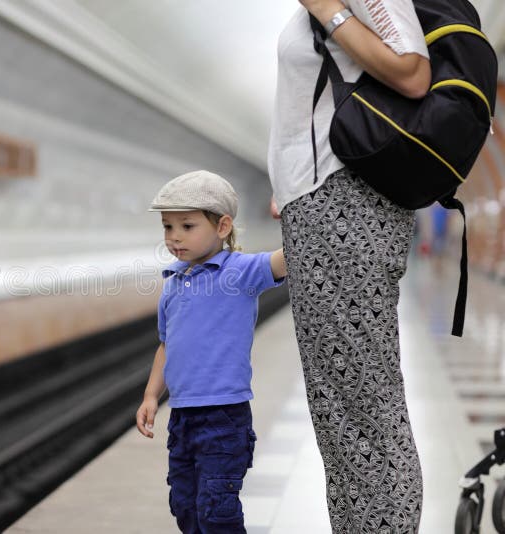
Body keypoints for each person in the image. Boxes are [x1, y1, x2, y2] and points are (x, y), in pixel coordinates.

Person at [268, 1, 431, 532]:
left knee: (363, 402)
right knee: (339, 405)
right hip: (318, 203)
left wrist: (327, 10)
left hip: (344, 206)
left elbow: (411, 70)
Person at [135, 170, 287, 533]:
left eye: (186, 226)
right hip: (183, 417)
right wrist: (151, 395)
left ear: (222, 227)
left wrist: (296, 211)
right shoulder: (173, 281)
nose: (174, 238)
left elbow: (291, 257)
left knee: (216, 510)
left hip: (223, 416)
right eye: (167, 227)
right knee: (185, 505)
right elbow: (166, 345)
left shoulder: (241, 272)